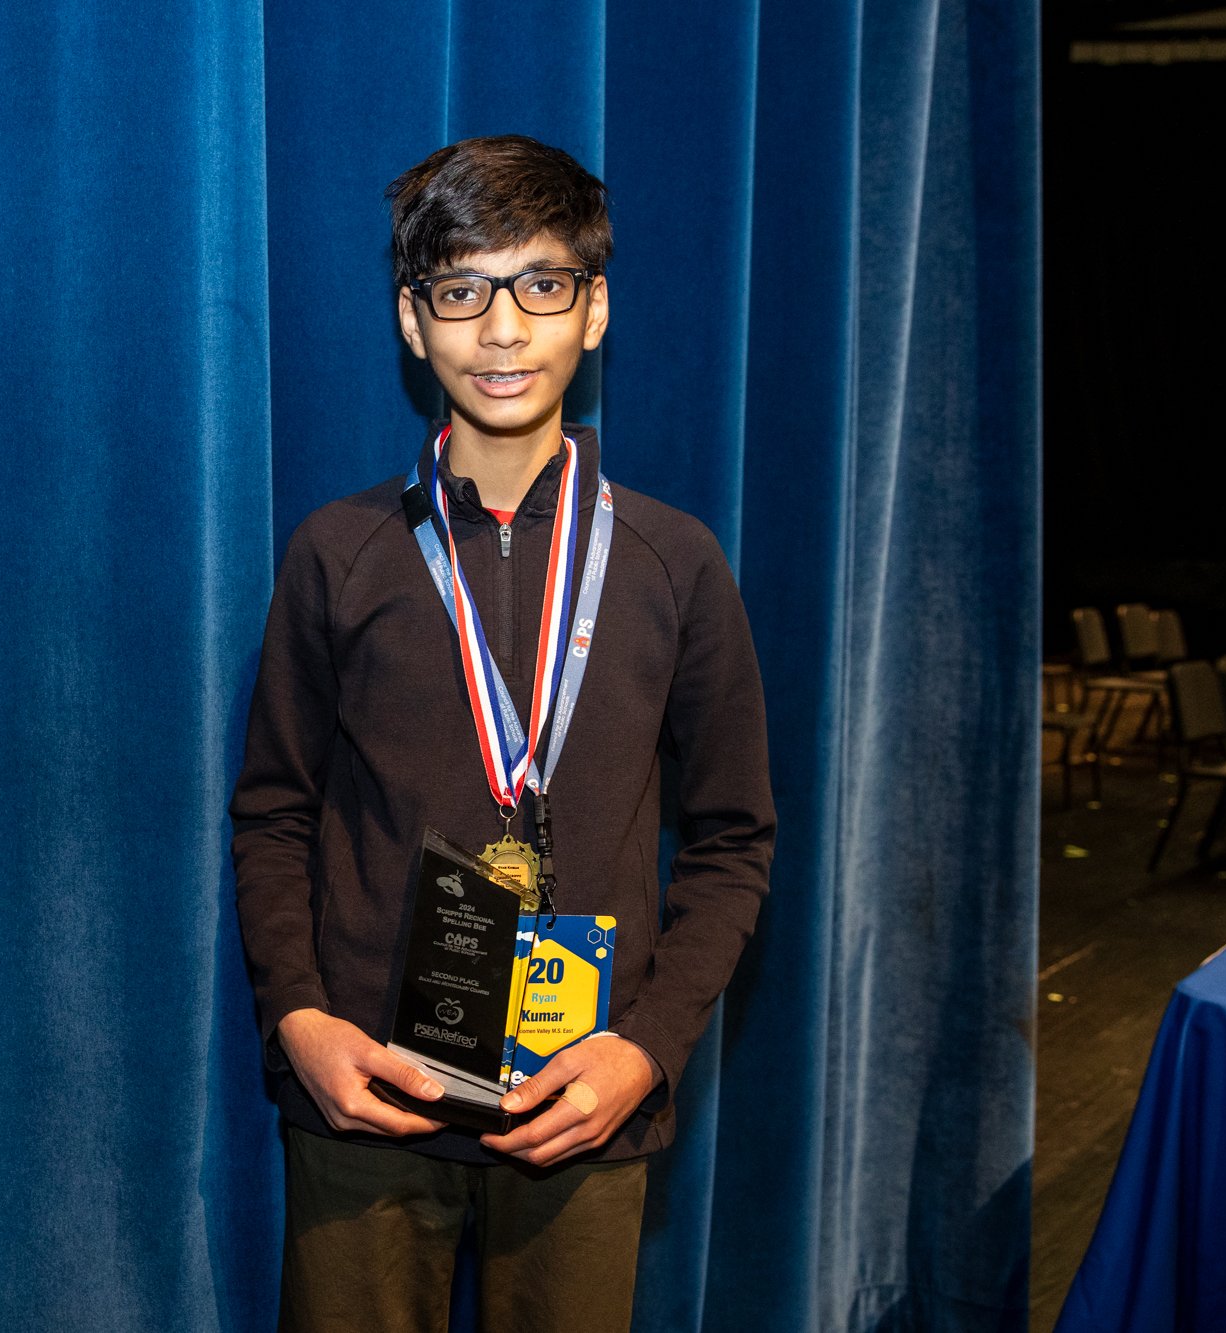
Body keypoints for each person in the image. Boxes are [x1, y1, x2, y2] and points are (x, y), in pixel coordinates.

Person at [230, 134, 776, 1333]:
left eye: (541, 285)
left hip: (580, 1096)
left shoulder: (673, 563)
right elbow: (273, 812)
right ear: (411, 322)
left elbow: (734, 839)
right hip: (369, 1094)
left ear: (594, 310)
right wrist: (300, 1021)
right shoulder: (338, 552)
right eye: (461, 292)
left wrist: (646, 1049)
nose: (502, 329)